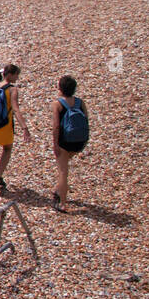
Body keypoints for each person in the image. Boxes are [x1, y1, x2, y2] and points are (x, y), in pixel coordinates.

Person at [0, 64, 31, 196]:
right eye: (16, 75)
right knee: (7, 149)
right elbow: (15, 109)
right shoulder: (12, 89)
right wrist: (24, 128)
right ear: (10, 74)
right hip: (5, 125)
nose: (17, 77)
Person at [51, 75, 88, 210]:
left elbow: (56, 126)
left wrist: (55, 144)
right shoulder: (80, 102)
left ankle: (62, 203)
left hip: (64, 141)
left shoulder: (57, 104)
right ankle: (57, 190)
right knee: (64, 167)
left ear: (60, 88)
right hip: (78, 141)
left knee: (63, 172)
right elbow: (86, 120)